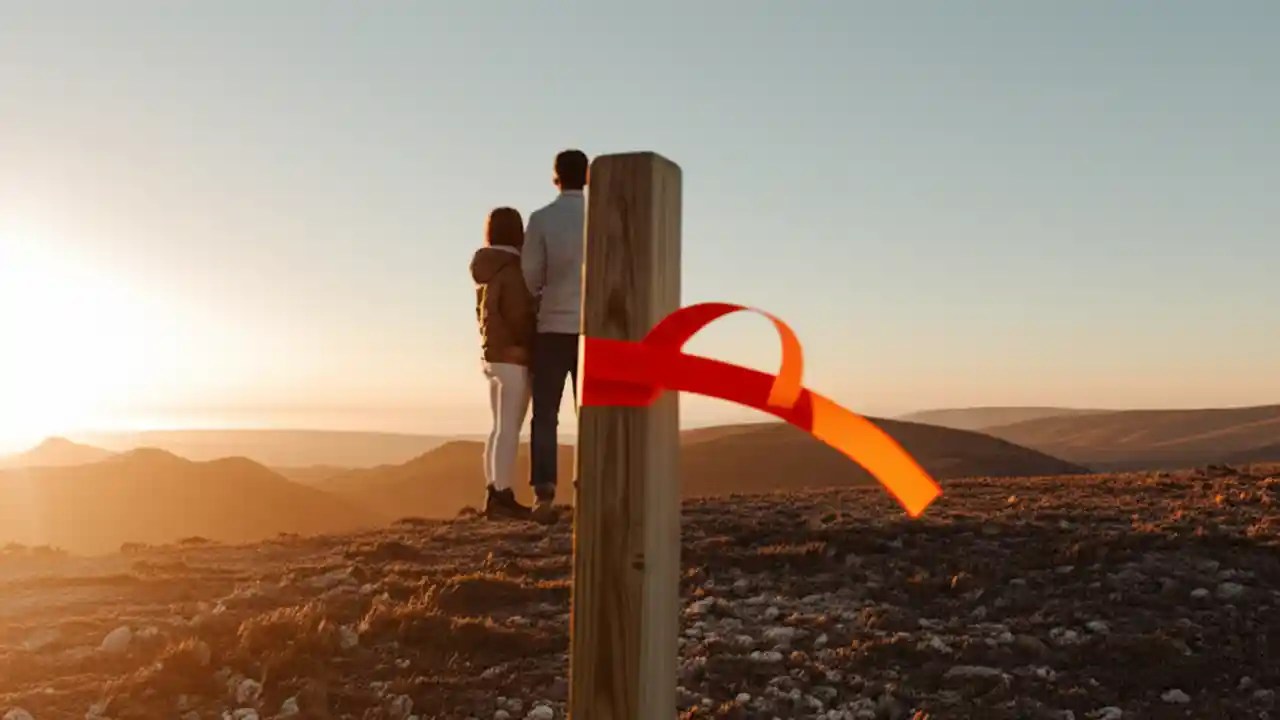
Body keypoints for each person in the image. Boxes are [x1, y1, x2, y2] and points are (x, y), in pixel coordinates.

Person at [522, 149, 588, 520]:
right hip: (595, 330)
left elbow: (530, 277)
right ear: (588, 176)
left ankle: (544, 493)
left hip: (551, 328)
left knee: (546, 412)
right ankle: (589, 489)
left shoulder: (542, 219)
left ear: (555, 176)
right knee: (592, 415)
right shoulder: (602, 217)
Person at [471, 207, 537, 520]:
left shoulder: (486, 268)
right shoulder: (513, 270)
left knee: (499, 427)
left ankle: (493, 491)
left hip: (492, 356)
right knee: (510, 428)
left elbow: (486, 314)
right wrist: (524, 346)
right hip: (513, 357)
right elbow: (519, 314)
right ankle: (503, 495)